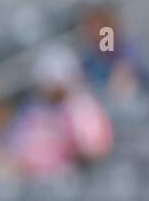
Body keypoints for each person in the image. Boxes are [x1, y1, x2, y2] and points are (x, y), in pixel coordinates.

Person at [7, 45, 113, 179]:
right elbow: (17, 145)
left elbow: (94, 150)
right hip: (33, 179)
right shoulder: (36, 109)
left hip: (71, 178)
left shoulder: (83, 108)